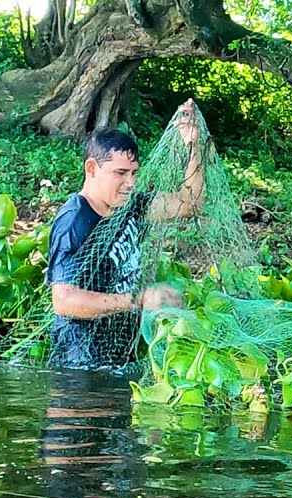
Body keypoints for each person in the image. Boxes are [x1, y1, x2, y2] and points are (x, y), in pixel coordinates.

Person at [47, 99, 205, 369]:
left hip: (119, 358)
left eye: (134, 173)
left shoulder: (131, 206)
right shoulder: (74, 221)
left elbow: (190, 203)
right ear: (91, 169)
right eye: (120, 173)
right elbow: (64, 301)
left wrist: (193, 144)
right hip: (79, 364)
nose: (130, 183)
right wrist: (139, 300)